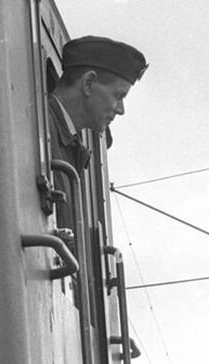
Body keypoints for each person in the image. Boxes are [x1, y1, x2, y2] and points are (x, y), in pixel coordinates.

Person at [47, 35, 147, 226]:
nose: (121, 110)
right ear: (88, 83)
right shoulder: (40, 132)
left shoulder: (66, 145)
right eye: (119, 95)